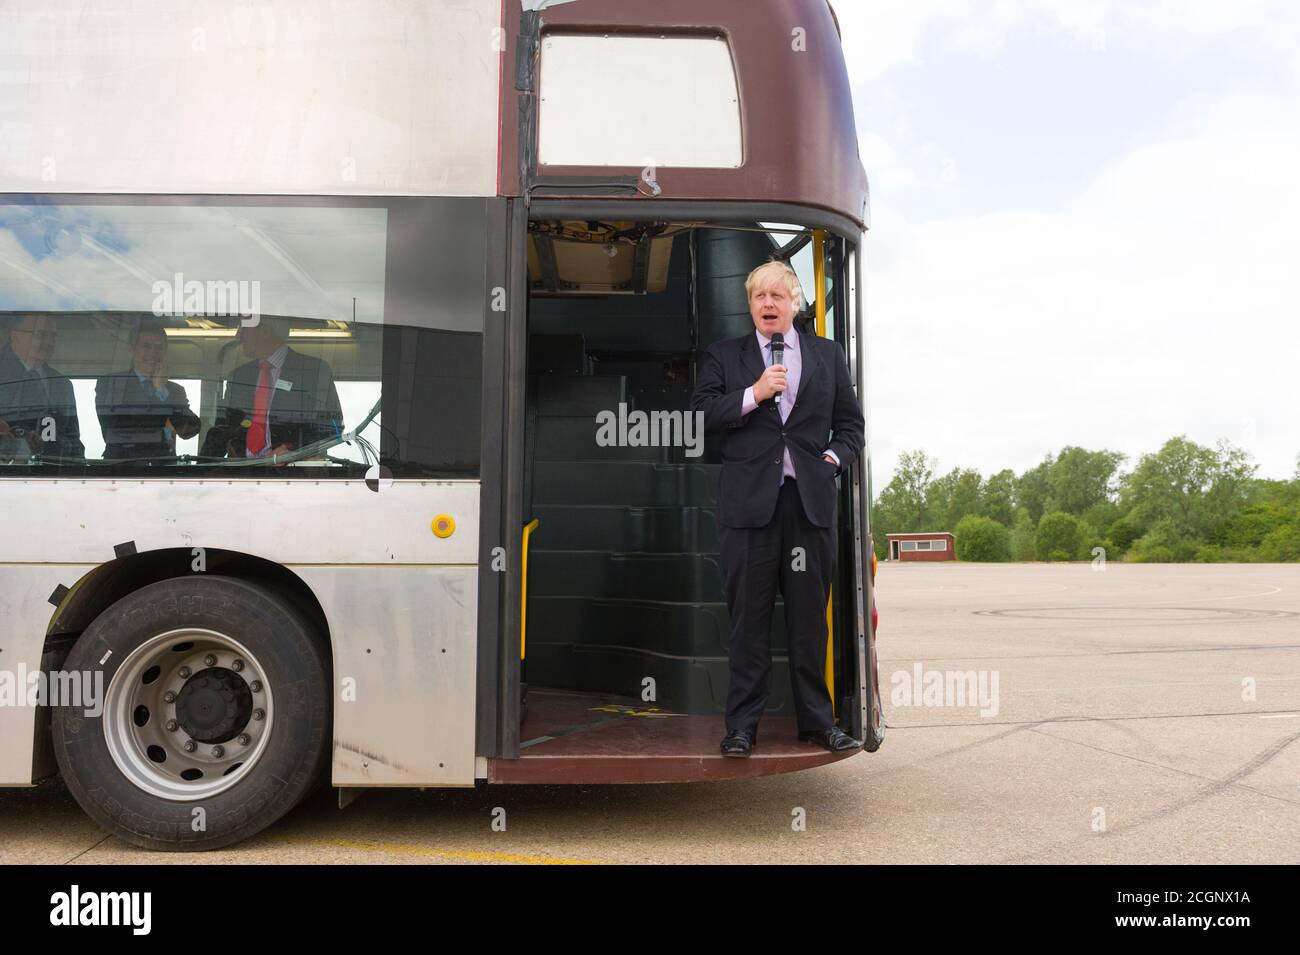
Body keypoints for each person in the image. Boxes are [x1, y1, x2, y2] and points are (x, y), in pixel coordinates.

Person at [690, 260, 865, 757]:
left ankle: (816, 721)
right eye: (759, 297)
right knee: (748, 620)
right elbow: (701, 416)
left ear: (795, 304)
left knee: (810, 619)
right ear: (750, 305)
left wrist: (829, 461)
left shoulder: (829, 356)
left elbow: (852, 426)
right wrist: (752, 394)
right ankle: (742, 727)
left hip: (808, 504)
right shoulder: (725, 356)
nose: (768, 304)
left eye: (777, 296)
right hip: (748, 510)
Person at [201, 317, 343, 460]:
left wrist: (293, 450)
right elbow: (223, 428)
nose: (238, 335)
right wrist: (201, 469)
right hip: (242, 472)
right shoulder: (239, 376)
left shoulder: (314, 370)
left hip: (292, 473)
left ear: (265, 332)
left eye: (243, 329)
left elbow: (333, 427)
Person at [95, 320, 201, 463]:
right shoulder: (110, 383)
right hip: (121, 471)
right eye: (146, 346)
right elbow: (113, 432)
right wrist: (159, 402)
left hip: (163, 471)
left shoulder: (175, 391)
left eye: (159, 348)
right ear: (132, 350)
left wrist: (161, 390)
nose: (153, 353)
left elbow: (189, 430)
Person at [0, 313, 85, 463]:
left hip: (55, 475)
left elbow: (73, 438)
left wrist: (80, 471)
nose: (49, 342)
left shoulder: (62, 383)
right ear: (14, 334)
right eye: (41, 334)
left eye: (53, 336)